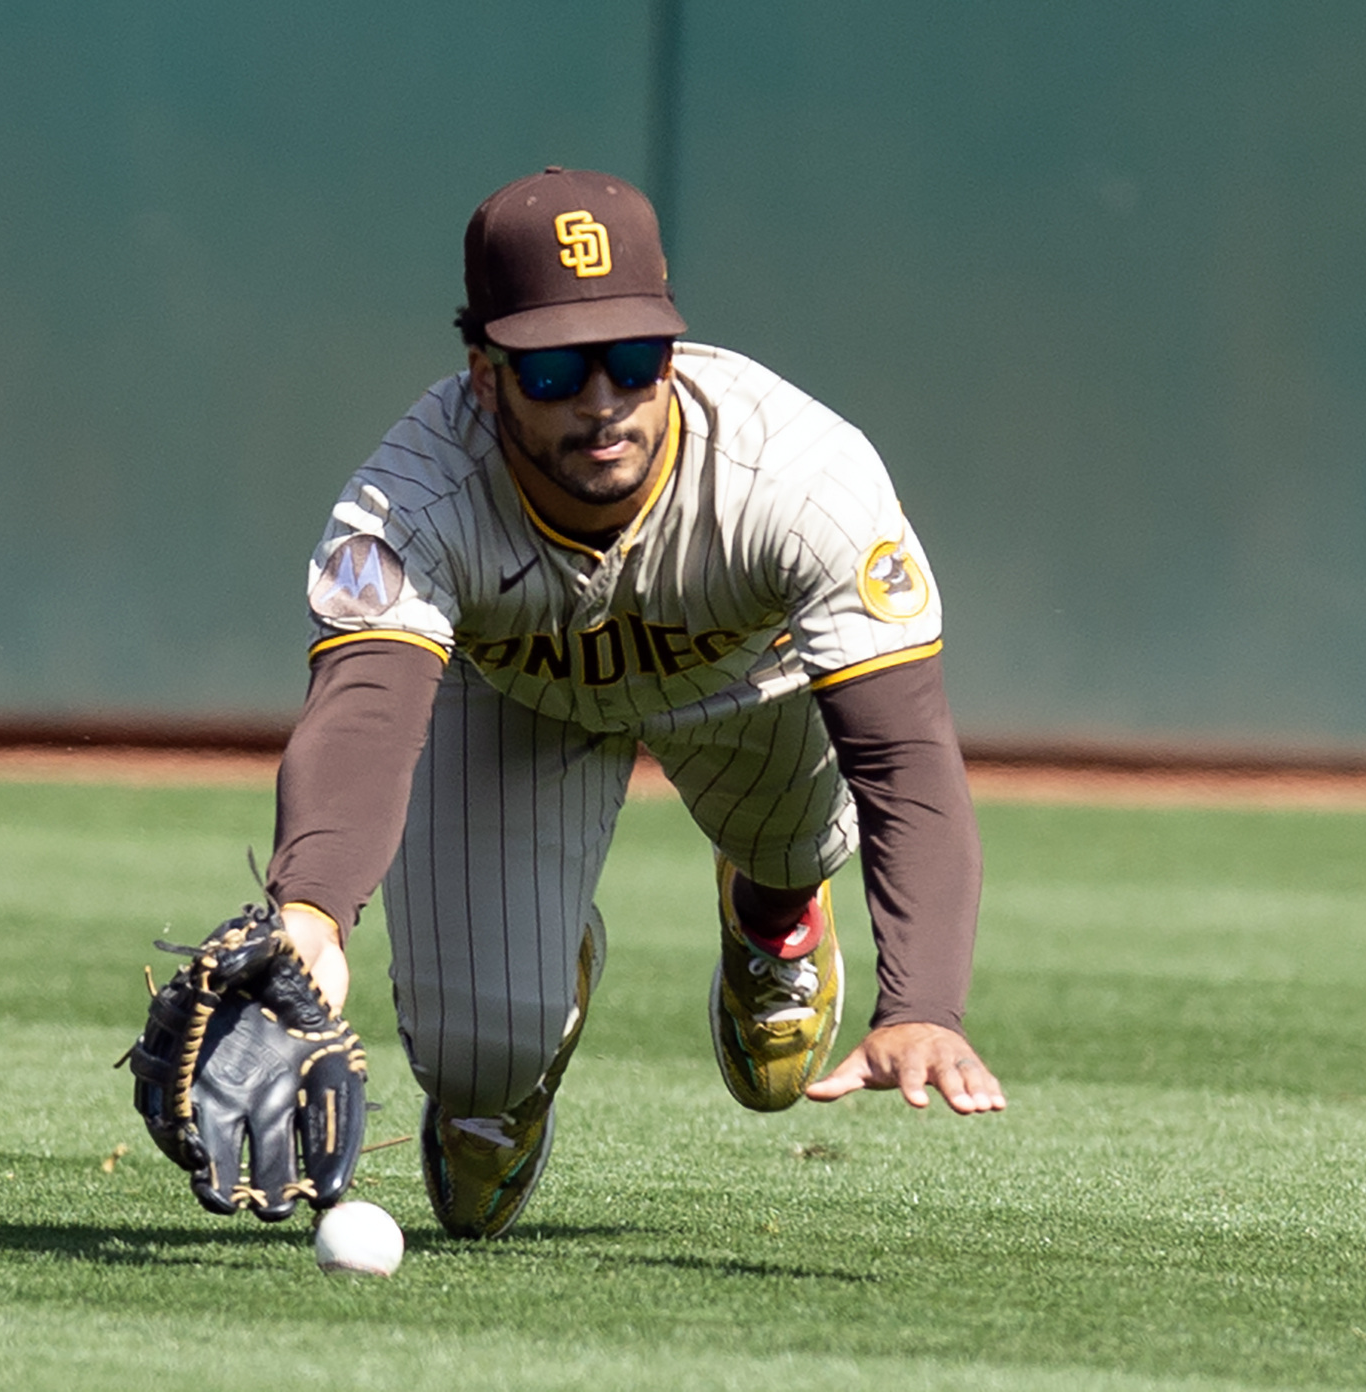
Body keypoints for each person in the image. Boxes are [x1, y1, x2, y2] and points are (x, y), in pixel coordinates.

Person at [262, 166, 1004, 1239]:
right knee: (475, 1055)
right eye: (555, 367)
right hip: (510, 693)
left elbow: (905, 758)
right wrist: (310, 914)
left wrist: (922, 1005)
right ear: (484, 374)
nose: (600, 399)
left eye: (631, 358)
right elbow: (364, 716)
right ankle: (523, 1029)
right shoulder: (410, 500)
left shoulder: (795, 477)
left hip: (742, 684)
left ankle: (773, 909)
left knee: (796, 848)